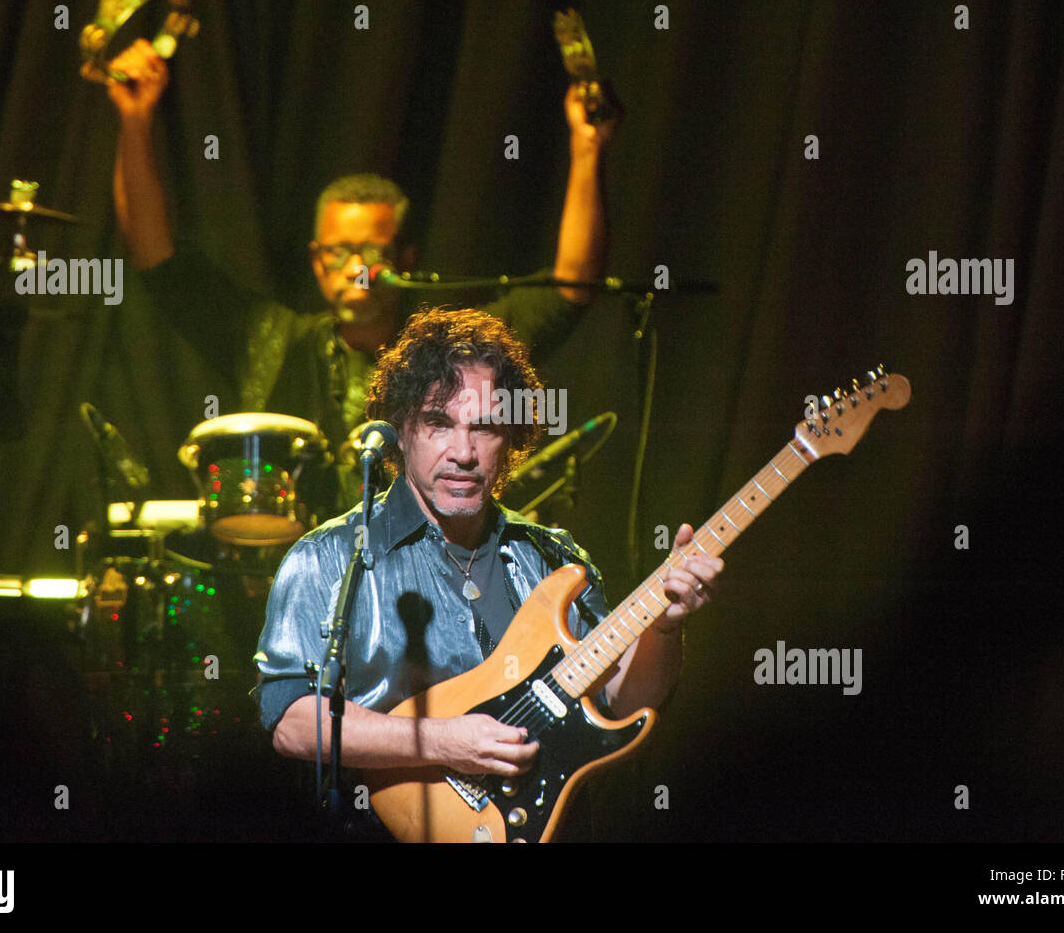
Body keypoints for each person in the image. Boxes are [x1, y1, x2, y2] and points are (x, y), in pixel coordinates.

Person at [252, 308, 724, 835]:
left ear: (513, 438)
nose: (463, 452)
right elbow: (290, 722)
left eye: (485, 428)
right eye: (438, 423)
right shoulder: (328, 557)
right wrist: (443, 740)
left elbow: (622, 700)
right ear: (402, 430)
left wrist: (664, 625)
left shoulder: (553, 559)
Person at [105, 39, 618, 516]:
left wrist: (586, 149)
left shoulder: (454, 353)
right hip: (294, 585)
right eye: (339, 251)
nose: (355, 267)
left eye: (371, 251)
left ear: (405, 258)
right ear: (315, 259)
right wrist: (134, 119)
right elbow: (158, 260)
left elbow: (571, 285)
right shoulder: (270, 342)